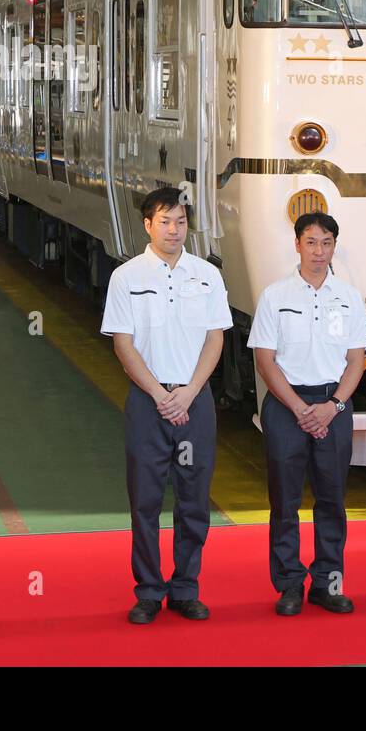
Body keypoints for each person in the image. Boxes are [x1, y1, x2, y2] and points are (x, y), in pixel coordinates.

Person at [100, 186, 232, 624]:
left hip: (195, 401)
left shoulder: (207, 275)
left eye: (180, 222)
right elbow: (123, 343)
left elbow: (216, 338)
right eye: (164, 222)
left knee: (194, 499)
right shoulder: (128, 277)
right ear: (147, 225)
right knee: (146, 500)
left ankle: (185, 589)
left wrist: (190, 392)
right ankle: (148, 591)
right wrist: (159, 395)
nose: (173, 230)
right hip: (147, 403)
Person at [247, 212, 366, 614]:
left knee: (332, 499)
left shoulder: (349, 296)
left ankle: (328, 583)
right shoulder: (275, 296)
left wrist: (333, 406)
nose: (319, 251)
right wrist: (301, 408)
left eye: (327, 243)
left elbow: (356, 360)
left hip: (333, 405)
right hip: (287, 405)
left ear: (335, 246)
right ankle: (288, 585)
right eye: (311, 242)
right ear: (297, 244)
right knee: (285, 500)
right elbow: (265, 361)